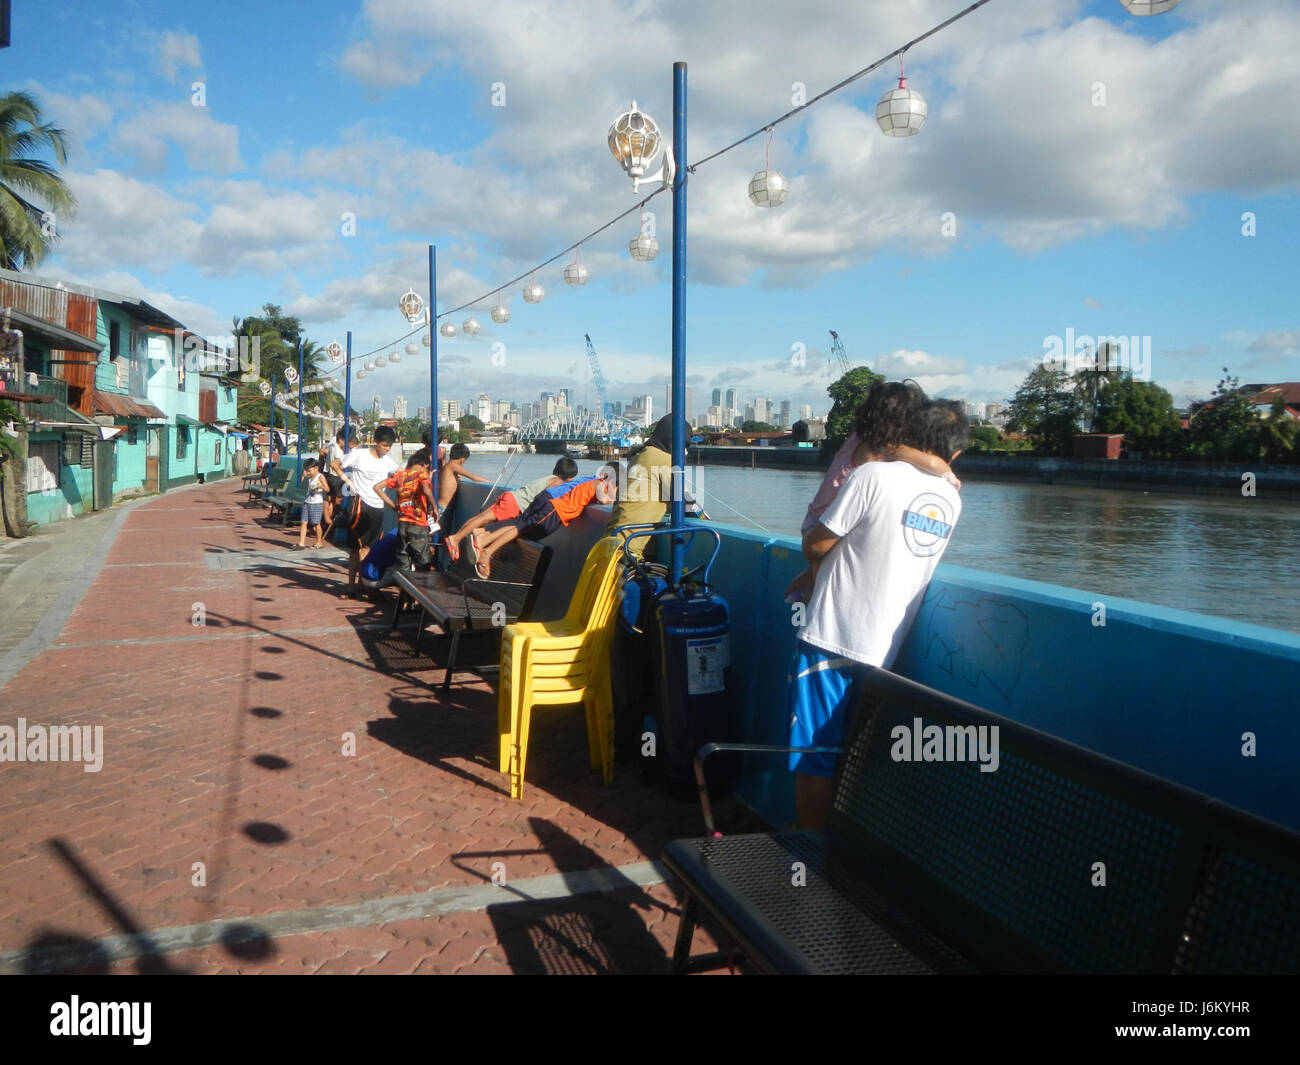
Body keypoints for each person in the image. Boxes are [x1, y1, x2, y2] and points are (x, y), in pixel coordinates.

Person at [789, 399, 968, 831]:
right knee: (851, 755)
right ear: (954, 453)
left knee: (815, 756)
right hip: (883, 652)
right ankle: (838, 848)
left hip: (829, 639)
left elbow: (815, 546)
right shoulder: (951, 499)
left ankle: (810, 852)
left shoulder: (872, 476)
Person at [784, 380, 960, 603]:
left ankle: (807, 586)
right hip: (824, 523)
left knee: (820, 575)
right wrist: (948, 474)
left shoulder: (859, 438)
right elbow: (933, 464)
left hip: (820, 518)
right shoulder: (884, 449)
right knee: (822, 591)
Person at [472, 465, 618, 578]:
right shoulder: (600, 484)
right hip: (556, 511)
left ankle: (485, 538)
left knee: (520, 527)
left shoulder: (593, 481)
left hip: (553, 508)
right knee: (520, 529)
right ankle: (487, 550)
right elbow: (605, 500)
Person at [604, 414, 707, 555]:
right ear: (675, 441)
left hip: (611, 540)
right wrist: (705, 519)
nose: (686, 451)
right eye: (685, 445)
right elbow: (686, 503)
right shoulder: (665, 459)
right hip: (630, 545)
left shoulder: (640, 455)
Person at [444, 457, 578, 562]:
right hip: (516, 504)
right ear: (570, 478)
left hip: (512, 497)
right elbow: (545, 498)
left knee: (482, 519)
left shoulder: (550, 477)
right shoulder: (558, 482)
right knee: (484, 519)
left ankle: (460, 539)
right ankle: (455, 539)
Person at [332, 426, 398, 598]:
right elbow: (335, 465)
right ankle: (357, 587)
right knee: (359, 548)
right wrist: (348, 482)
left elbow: (401, 475)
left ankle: (360, 585)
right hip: (361, 505)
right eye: (384, 445)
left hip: (378, 507)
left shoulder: (387, 461)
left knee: (367, 548)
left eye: (390, 446)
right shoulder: (359, 455)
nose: (387, 448)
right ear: (375, 441)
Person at [378, 449, 436, 570]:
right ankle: (421, 587)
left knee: (403, 560)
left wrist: (393, 505)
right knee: (422, 561)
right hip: (418, 523)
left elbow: (377, 487)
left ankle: (404, 588)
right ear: (425, 465)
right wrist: (435, 508)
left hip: (402, 523)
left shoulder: (400, 475)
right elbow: (425, 490)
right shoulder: (422, 474)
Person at [293, 458, 328, 550]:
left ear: (316, 468)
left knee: (316, 523)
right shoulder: (308, 477)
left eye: (309, 471)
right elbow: (302, 486)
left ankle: (319, 542)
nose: (308, 473)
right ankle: (301, 543)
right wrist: (303, 476)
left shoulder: (320, 476)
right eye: (306, 471)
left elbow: (327, 489)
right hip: (307, 501)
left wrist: (321, 486)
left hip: (316, 503)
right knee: (303, 522)